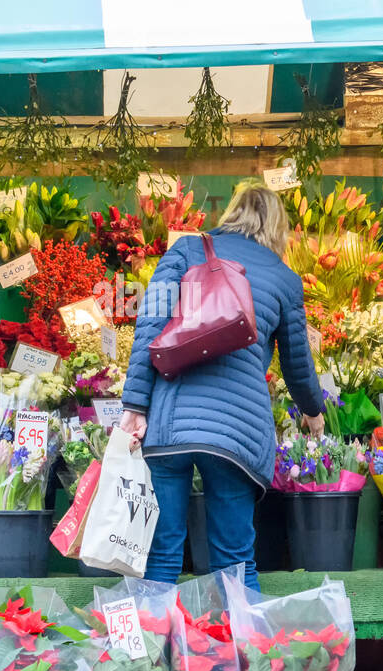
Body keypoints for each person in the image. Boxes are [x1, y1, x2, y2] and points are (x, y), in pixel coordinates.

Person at [118, 181, 324, 591]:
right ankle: (242, 653)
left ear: (231, 212)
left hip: (170, 423)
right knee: (235, 562)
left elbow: (149, 325)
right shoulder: (284, 279)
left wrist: (135, 405)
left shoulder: (186, 251)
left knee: (160, 557)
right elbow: (296, 362)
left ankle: (154, 653)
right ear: (278, 226)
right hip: (237, 433)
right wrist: (313, 411)